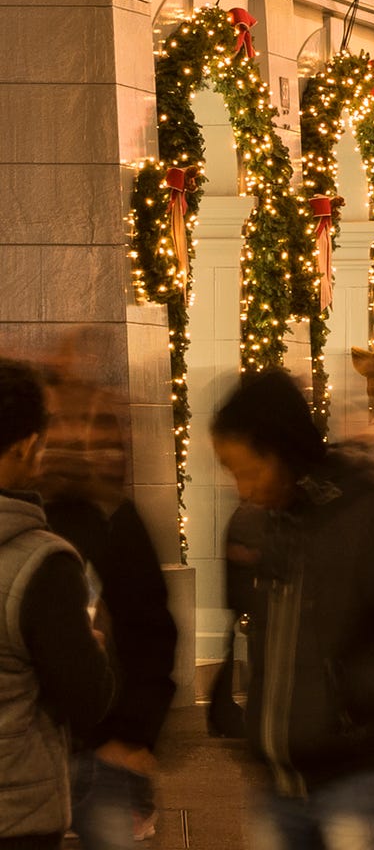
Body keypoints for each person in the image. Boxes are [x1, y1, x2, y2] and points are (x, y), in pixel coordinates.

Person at [213, 369, 374, 850]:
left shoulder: (371, 508)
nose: (243, 487)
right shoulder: (259, 523)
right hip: (278, 779)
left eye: (249, 470)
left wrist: (347, 693)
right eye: (231, 472)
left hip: (357, 775)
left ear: (282, 451)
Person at [42, 374, 171, 850]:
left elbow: (151, 630)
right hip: (34, 753)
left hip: (102, 755)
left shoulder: (114, 520)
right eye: (59, 423)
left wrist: (133, 735)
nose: (73, 437)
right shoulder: (30, 517)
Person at [0, 360, 112, 850]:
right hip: (16, 812)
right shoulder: (42, 561)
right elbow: (87, 697)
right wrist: (89, 647)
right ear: (27, 445)